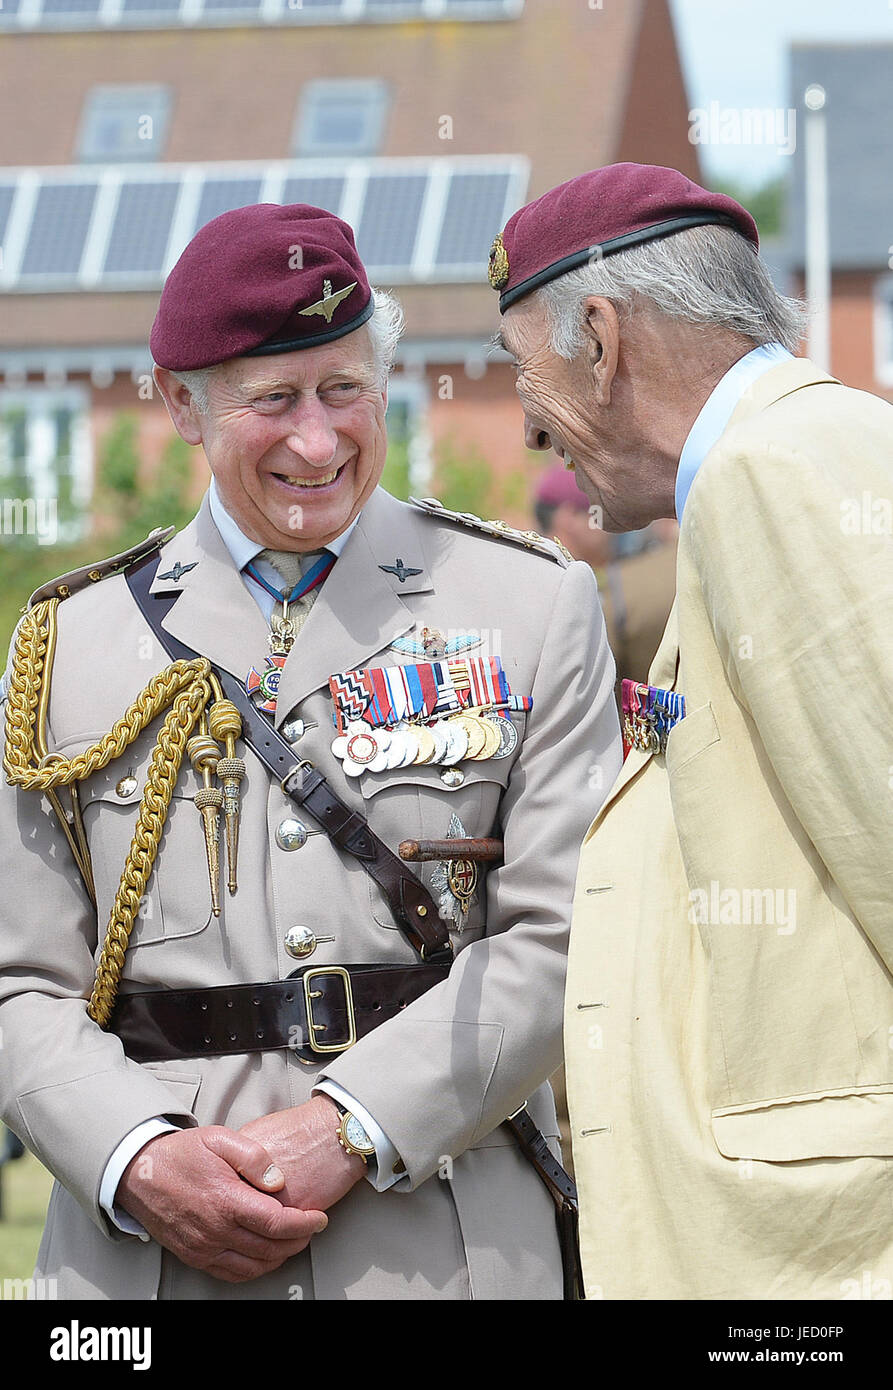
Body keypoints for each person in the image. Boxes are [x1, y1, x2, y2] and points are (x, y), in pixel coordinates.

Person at [0, 202, 621, 1300]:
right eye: (271, 400)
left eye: (344, 389)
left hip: (440, 1242)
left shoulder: (529, 602)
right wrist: (135, 1154)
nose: (318, 439)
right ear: (182, 405)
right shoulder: (67, 644)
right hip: (152, 1262)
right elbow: (19, 982)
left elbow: (565, 933)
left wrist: (352, 1124)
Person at [489, 162, 893, 1299]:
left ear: (602, 340)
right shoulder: (808, 452)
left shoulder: (777, 471)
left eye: (527, 373)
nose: (526, 430)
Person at [533, 463, 677, 704]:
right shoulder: (547, 582)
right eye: (599, 512)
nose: (610, 526)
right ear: (569, 517)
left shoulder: (554, 572)